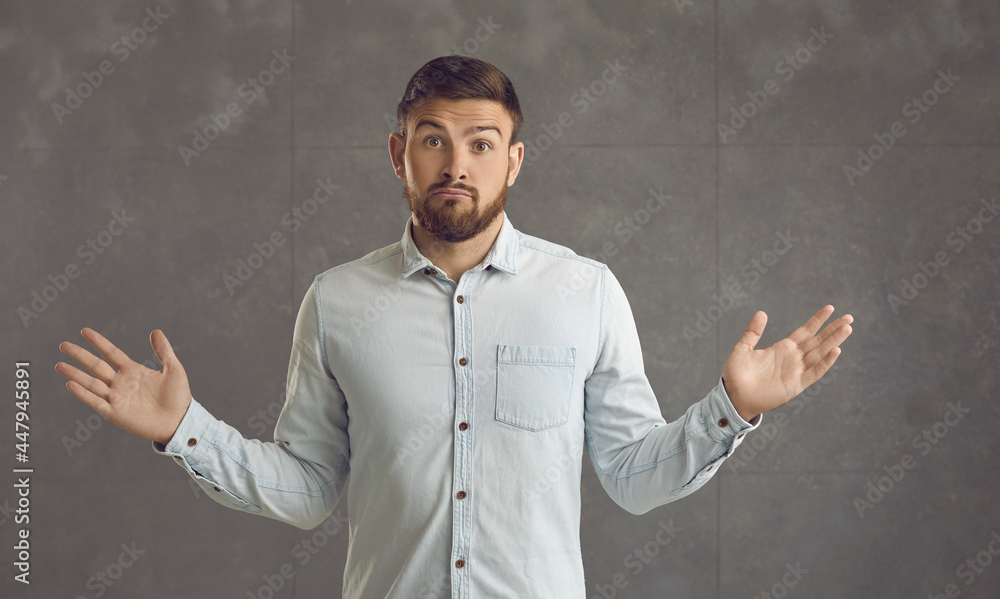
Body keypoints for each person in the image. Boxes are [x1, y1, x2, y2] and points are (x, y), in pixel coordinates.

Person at [55, 55, 854, 598]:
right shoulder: (335, 301)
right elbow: (305, 491)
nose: (456, 166)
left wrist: (731, 408)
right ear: (398, 154)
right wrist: (182, 430)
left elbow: (632, 479)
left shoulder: (587, 290)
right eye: (433, 141)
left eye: (481, 142)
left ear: (514, 159)